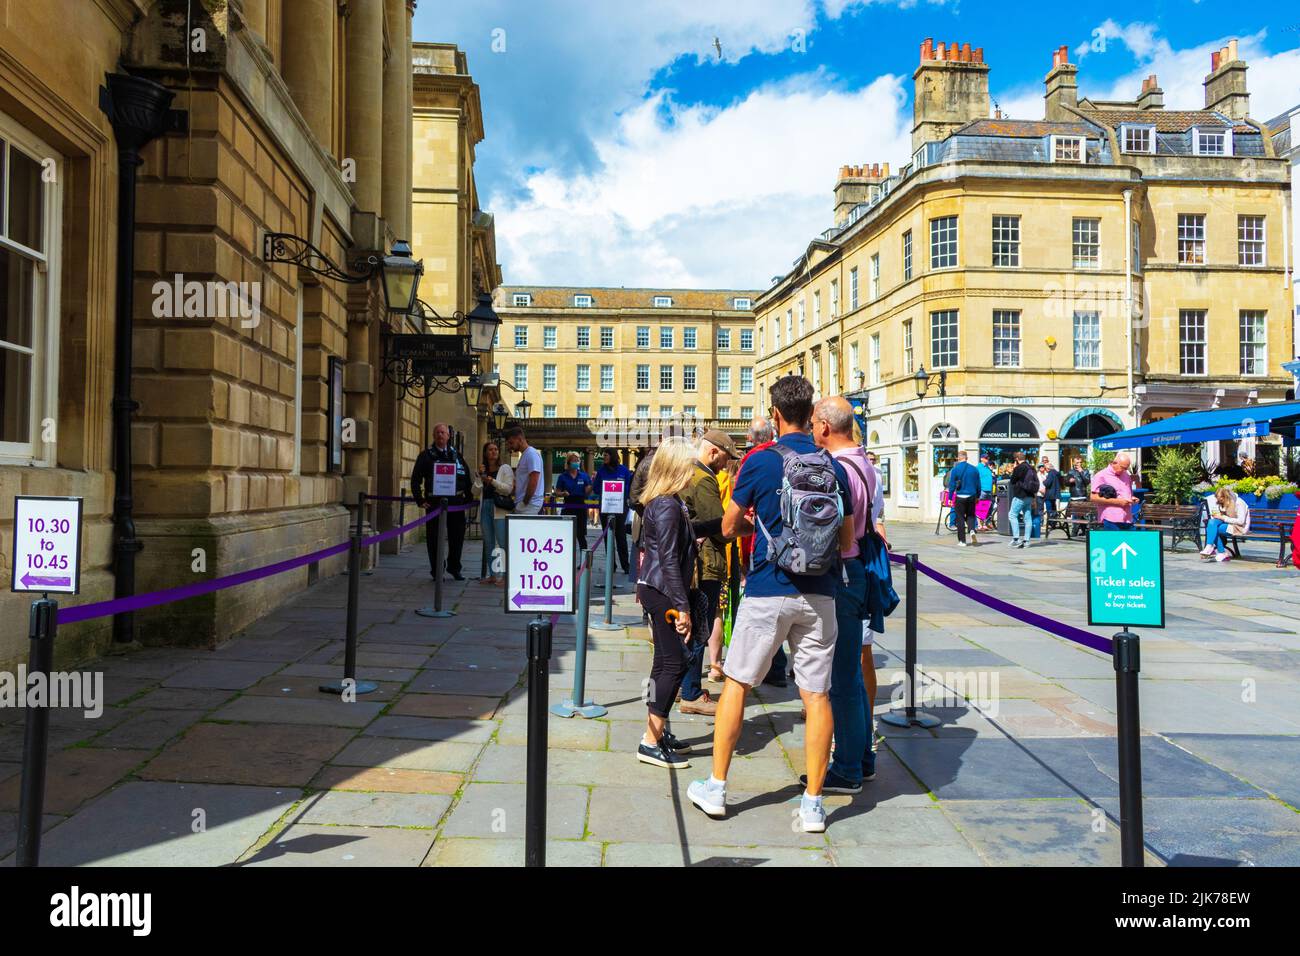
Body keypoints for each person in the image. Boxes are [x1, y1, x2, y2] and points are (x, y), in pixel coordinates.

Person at [687, 376, 855, 833]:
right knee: (816, 695)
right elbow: (846, 539)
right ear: (812, 416)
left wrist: (758, 532)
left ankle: (717, 788)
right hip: (821, 593)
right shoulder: (833, 466)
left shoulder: (759, 462)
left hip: (768, 589)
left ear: (776, 414)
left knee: (738, 684)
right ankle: (814, 805)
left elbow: (728, 524)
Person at [809, 396, 875, 792]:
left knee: (843, 679)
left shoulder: (839, 469)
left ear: (824, 427)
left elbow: (839, 532)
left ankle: (848, 768)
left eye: (815, 422)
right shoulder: (862, 461)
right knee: (849, 674)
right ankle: (862, 758)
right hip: (858, 573)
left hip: (844, 575)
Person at [634, 436, 701, 770]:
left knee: (663, 661)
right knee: (675, 662)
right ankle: (650, 741)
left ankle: (655, 730)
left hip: (656, 588)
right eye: (689, 464)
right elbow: (670, 561)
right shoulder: (668, 506)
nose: (693, 471)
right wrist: (683, 607)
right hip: (664, 592)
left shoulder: (663, 501)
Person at [679, 429, 741, 716]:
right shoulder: (704, 479)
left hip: (694, 563)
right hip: (707, 565)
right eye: (726, 458)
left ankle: (686, 687)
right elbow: (722, 528)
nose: (726, 465)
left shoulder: (688, 472)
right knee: (701, 626)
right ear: (714, 452)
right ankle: (691, 692)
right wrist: (740, 525)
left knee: (692, 624)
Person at [411, 423, 474, 581]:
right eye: (438, 432)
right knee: (433, 539)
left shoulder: (456, 455)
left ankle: (454, 567)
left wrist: (468, 496)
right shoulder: (425, 455)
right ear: (434, 436)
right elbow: (415, 479)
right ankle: (437, 570)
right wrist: (420, 499)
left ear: (448, 436)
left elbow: (466, 477)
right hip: (434, 503)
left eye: (443, 432)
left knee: (457, 538)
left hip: (456, 504)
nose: (440, 435)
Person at [477, 441, 513, 586]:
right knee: (489, 542)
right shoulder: (482, 470)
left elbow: (508, 489)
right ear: (485, 453)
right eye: (490, 449)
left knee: (503, 542)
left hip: (499, 507)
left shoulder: (505, 469)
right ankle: (492, 575)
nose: (494, 451)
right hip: (485, 506)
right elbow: (475, 491)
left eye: (496, 449)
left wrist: (492, 481)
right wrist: (480, 477)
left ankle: (505, 576)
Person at [594, 449, 633, 577]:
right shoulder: (601, 471)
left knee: (621, 538)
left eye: (605, 455)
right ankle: (612, 565)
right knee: (607, 538)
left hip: (620, 509)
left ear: (612, 456)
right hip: (605, 508)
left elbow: (629, 487)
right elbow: (596, 488)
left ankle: (626, 565)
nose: (603, 457)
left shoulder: (624, 470)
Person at [554, 452, 593, 551]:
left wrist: (592, 485)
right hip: (568, 505)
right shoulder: (562, 477)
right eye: (573, 461)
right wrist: (562, 493)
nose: (576, 462)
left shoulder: (584, 476)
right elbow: (556, 492)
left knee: (581, 535)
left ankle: (583, 561)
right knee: (566, 534)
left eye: (577, 460)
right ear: (568, 462)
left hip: (580, 506)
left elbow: (587, 492)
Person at [1202, 486, 1249, 563]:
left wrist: (1223, 518)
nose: (1219, 502)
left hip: (1239, 527)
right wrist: (1219, 516)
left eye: (1221, 500)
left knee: (1213, 529)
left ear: (1226, 497)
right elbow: (1224, 517)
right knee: (1211, 522)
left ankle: (1220, 552)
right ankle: (1209, 546)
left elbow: (1241, 521)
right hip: (1228, 524)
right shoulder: (1223, 503)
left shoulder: (1239, 503)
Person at [1090, 453, 1137, 530]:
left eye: (1126, 468)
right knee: (1112, 542)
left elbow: (1128, 494)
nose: (1125, 470)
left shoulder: (1126, 476)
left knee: (1131, 542)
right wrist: (1118, 502)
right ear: (1114, 463)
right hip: (1111, 519)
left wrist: (1132, 498)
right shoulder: (1101, 475)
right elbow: (1093, 498)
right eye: (1123, 468)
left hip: (1127, 519)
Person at [505, 427, 545, 515]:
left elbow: (534, 480)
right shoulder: (526, 454)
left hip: (530, 504)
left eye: (511, 443)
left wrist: (525, 501)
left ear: (520, 439)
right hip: (527, 504)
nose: (510, 446)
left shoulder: (531, 454)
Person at [946, 451, 981, 546]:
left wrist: (949, 497)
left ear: (958, 458)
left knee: (960, 518)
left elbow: (952, 485)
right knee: (971, 515)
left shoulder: (955, 469)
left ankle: (962, 541)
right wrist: (978, 496)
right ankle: (972, 530)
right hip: (972, 496)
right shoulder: (974, 469)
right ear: (967, 458)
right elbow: (978, 484)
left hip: (960, 496)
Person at [1006, 452, 1037, 549]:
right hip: (1030, 496)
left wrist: (1014, 469)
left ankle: (1016, 539)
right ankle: (1026, 541)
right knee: (1027, 518)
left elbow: (1012, 481)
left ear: (1016, 459)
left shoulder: (1019, 468)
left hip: (1020, 495)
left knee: (1012, 515)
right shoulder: (1032, 467)